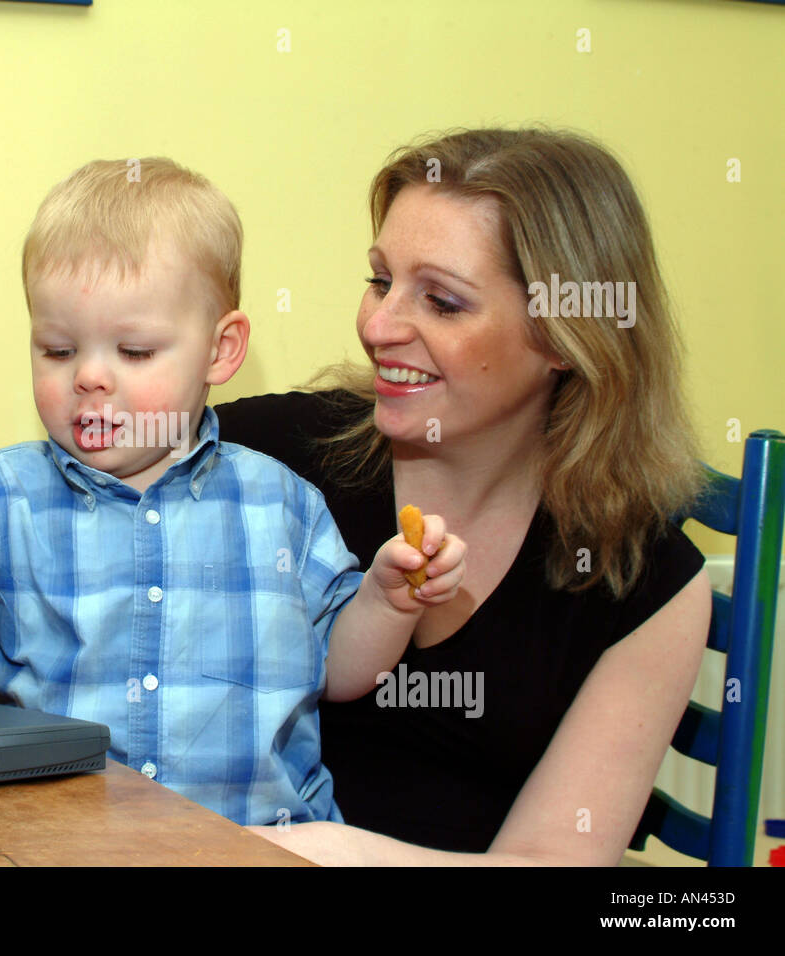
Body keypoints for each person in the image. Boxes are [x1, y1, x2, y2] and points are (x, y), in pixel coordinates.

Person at [0, 157, 467, 827]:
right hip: (57, 841)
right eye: (58, 350)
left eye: (134, 351)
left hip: (260, 845)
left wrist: (387, 599)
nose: (89, 376)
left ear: (222, 350)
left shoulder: (281, 502)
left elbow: (339, 670)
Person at [214, 127, 711, 863]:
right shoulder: (259, 459)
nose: (379, 326)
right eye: (381, 280)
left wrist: (332, 854)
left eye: (442, 301)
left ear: (564, 336)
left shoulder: (639, 580)